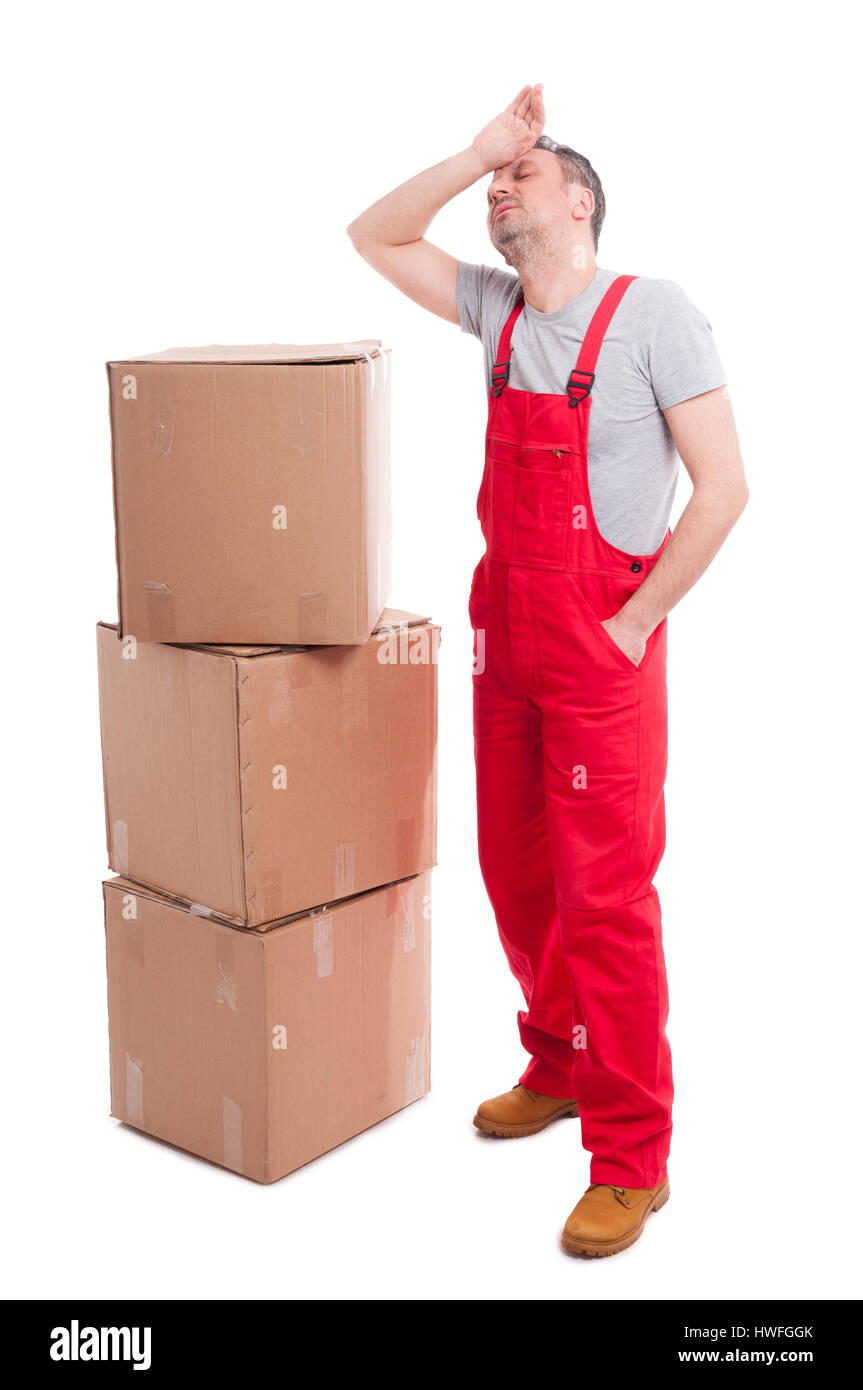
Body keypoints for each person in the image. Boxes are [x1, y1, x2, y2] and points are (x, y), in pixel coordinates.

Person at [347, 84, 748, 1258]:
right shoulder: (495, 311)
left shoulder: (653, 314)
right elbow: (371, 234)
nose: (496, 193)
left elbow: (722, 490)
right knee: (513, 877)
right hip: (503, 638)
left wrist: (635, 625)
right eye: (491, 185)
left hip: (596, 651)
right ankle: (558, 1060)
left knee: (606, 903)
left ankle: (631, 1154)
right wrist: (473, 146)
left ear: (579, 200)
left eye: (520, 176)